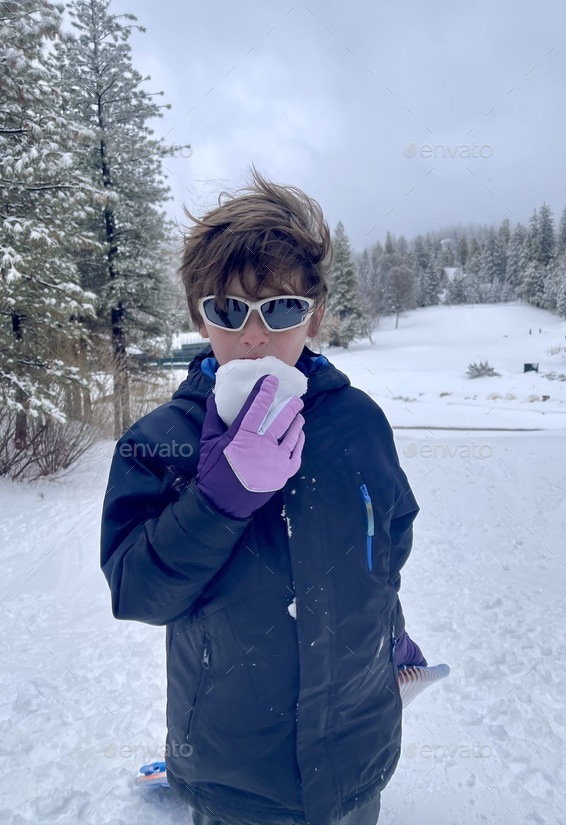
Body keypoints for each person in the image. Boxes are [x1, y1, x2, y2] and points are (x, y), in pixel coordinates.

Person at [100, 171, 426, 825]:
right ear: (199, 316)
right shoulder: (161, 442)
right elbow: (137, 589)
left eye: (281, 309)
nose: (254, 336)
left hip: (355, 752)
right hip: (232, 769)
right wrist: (218, 500)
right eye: (228, 310)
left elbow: (386, 543)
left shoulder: (357, 423)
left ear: (316, 315)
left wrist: (390, 632)